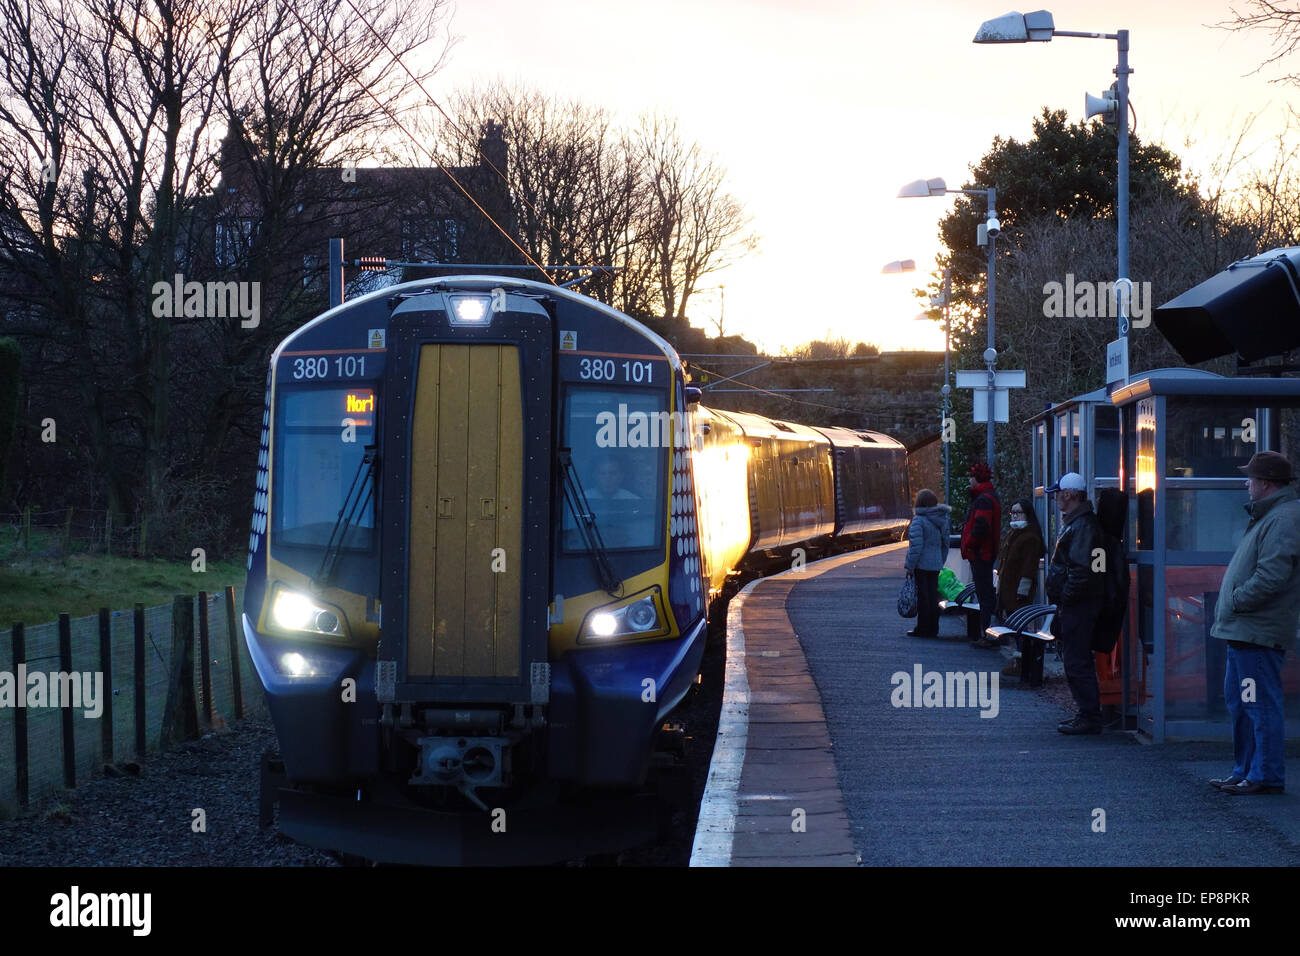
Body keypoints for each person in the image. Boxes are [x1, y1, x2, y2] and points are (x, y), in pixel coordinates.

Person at [1208, 451, 1300, 795]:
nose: (1246, 484)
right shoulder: (1275, 516)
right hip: (1247, 631)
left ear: (1266, 482)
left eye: (1251, 478)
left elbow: (1273, 575)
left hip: (1255, 631)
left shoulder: (1283, 518)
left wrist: (1234, 600)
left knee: (1256, 704)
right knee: (1244, 703)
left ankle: (1263, 774)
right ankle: (1247, 770)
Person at [1045, 472, 1106, 734]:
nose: (1056, 498)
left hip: (1078, 605)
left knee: (1076, 660)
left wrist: (1066, 597)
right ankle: (1087, 713)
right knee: (1076, 659)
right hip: (1080, 603)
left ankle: (1089, 716)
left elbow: (1082, 570)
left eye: (1058, 493)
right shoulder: (1083, 524)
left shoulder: (1081, 527)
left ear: (1069, 494)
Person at [981, 500, 1047, 684]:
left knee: (1020, 628)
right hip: (1009, 590)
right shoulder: (1015, 533)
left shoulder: (1029, 537)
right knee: (1015, 627)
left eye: (1019, 512)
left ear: (1027, 515)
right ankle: (1019, 663)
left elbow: (1028, 568)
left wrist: (1022, 592)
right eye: (1013, 512)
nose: (1015, 515)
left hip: (1018, 592)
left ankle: (1022, 664)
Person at [961, 462, 1001, 646]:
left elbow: (981, 526)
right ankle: (988, 632)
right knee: (985, 593)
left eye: (971, 476)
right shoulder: (988, 497)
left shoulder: (984, 499)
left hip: (981, 554)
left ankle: (987, 634)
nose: (969, 480)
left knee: (985, 594)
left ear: (976, 479)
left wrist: (970, 543)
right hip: (984, 553)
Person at [904, 489, 950, 638]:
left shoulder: (919, 520)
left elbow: (915, 547)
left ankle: (922, 628)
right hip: (935, 564)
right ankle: (933, 628)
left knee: (923, 597)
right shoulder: (941, 520)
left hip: (921, 565)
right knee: (933, 596)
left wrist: (910, 566)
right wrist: (940, 560)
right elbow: (946, 544)